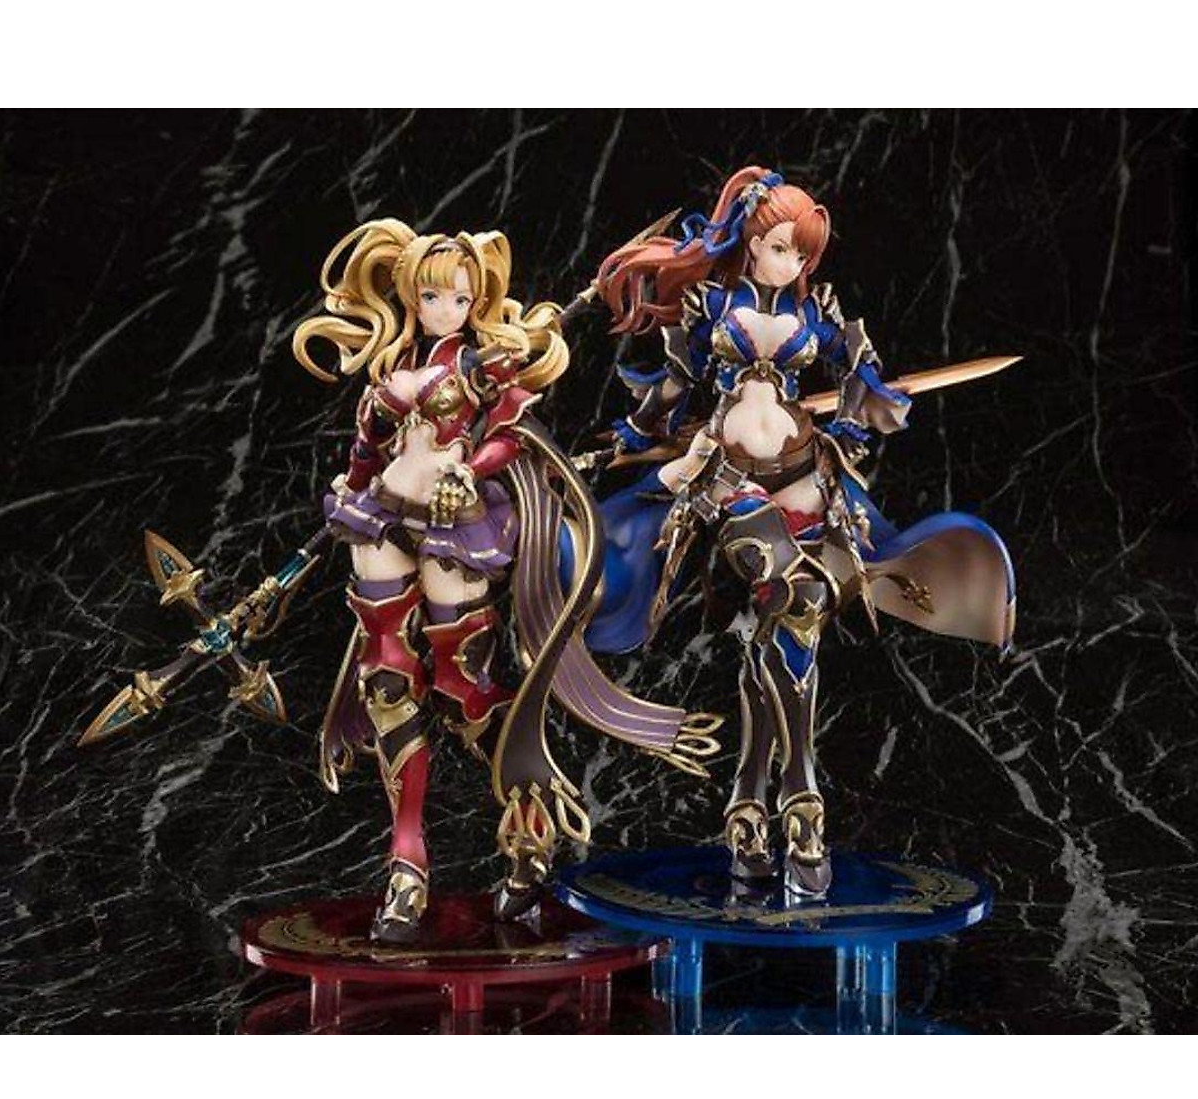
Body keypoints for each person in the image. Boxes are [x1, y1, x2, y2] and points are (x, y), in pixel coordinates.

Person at [584, 167, 1015, 897]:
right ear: (751, 242)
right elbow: (674, 387)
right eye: (780, 247)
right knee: (795, 595)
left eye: (802, 253)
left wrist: (856, 415)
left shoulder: (820, 312)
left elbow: (860, 374)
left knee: (783, 629)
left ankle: (748, 805)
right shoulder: (711, 304)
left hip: (805, 471)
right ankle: (802, 799)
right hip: (729, 478)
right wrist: (631, 436)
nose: (790, 262)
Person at [293, 220, 718, 941]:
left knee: (464, 690)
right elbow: (368, 444)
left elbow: (506, 437)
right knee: (386, 685)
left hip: (454, 522)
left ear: (475, 302)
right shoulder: (393, 364)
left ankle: (528, 832)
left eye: (460, 298)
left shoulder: (481, 365)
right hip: (383, 513)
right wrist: (352, 482)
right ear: (412, 296)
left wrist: (471, 468)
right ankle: (407, 862)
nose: (446, 309)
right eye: (434, 296)